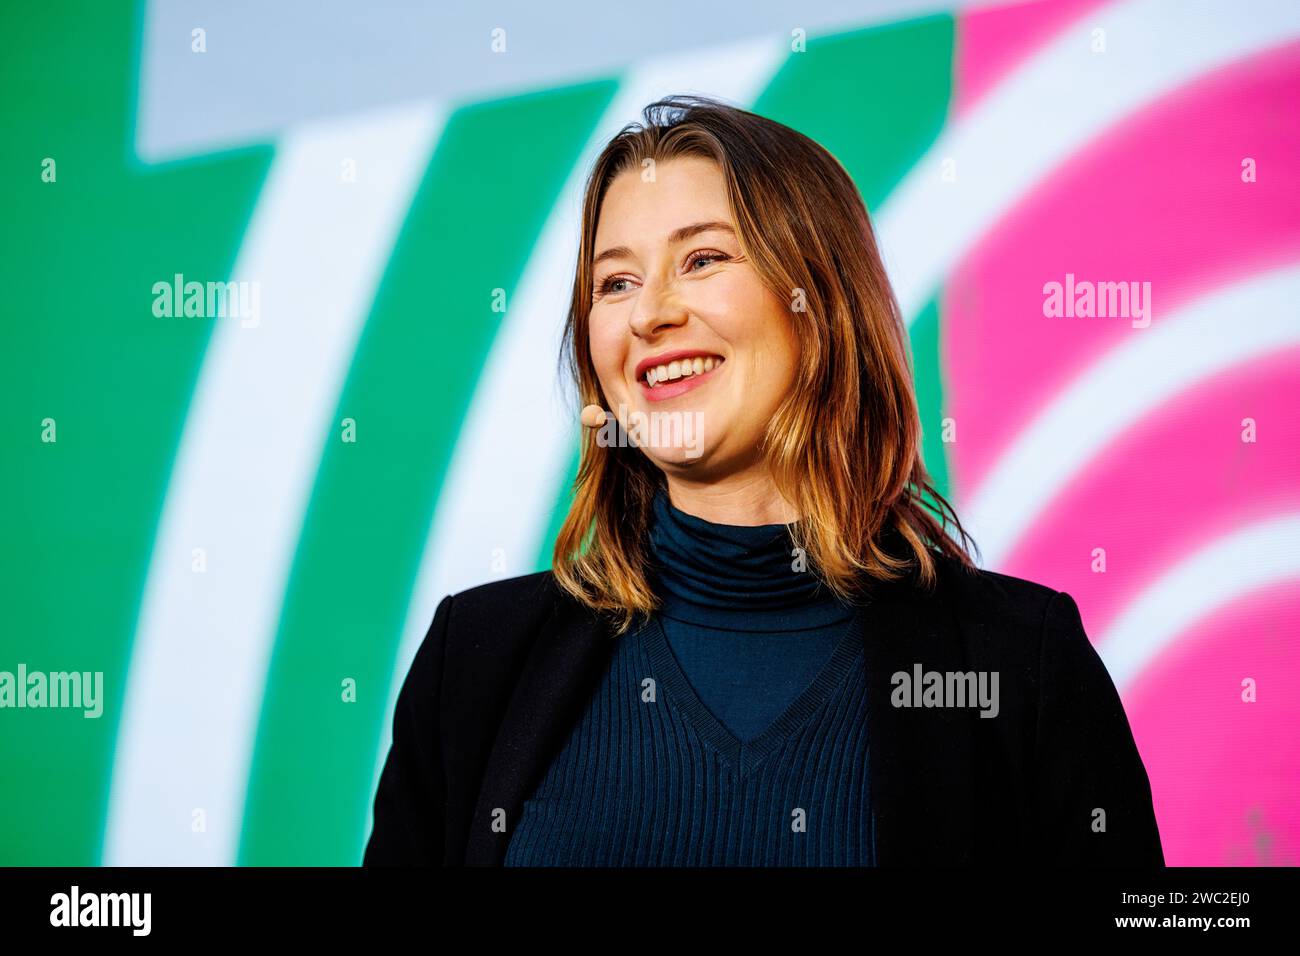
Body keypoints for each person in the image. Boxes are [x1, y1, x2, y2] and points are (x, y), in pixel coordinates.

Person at [363, 94, 1164, 867]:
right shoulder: (473, 660)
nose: (650, 315)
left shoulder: (1019, 663)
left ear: (819, 300)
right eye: (615, 282)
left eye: (703, 259)